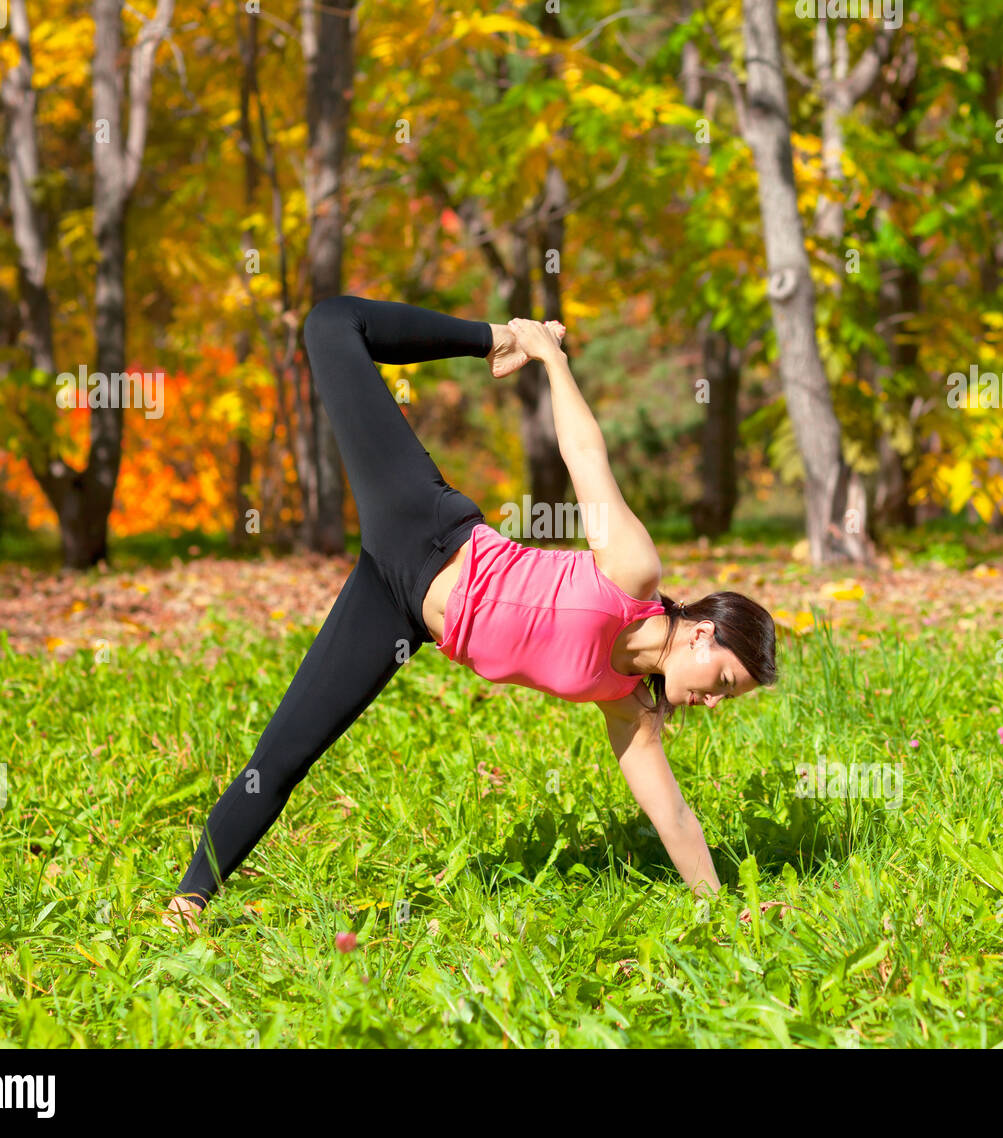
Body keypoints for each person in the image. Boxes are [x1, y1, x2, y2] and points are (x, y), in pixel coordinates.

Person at [163, 295, 776, 934]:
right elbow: (586, 457)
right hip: (424, 530)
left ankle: (186, 908)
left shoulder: (628, 704)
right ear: (704, 632)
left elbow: (672, 816)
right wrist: (547, 357)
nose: (713, 702)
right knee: (329, 323)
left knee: (288, 747)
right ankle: (492, 339)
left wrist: (724, 916)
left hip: (397, 606)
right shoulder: (633, 575)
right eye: (725, 682)